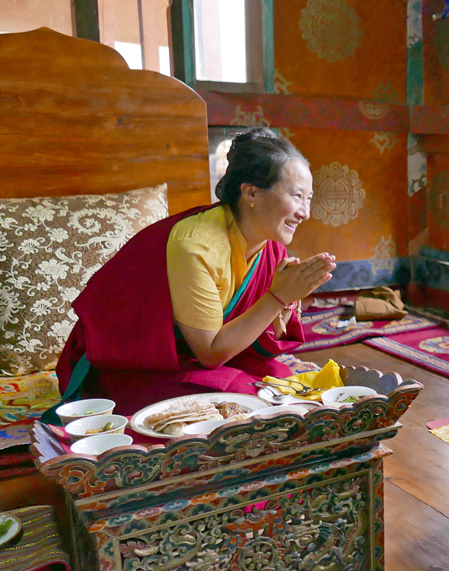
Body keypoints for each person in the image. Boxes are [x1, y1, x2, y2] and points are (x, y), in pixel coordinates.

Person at [55, 128, 336, 415]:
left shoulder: (270, 245)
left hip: (199, 354)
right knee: (244, 399)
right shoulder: (197, 246)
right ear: (251, 192)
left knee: (285, 385)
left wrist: (289, 297)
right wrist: (278, 295)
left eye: (309, 198)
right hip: (135, 361)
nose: (305, 212)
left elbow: (264, 336)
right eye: (296, 195)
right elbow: (211, 353)